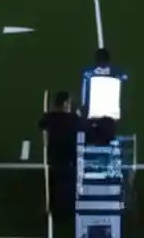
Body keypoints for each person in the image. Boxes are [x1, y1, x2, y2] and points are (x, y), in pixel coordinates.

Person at [38, 90, 80, 221]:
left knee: (54, 185)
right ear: (66, 103)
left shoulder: (50, 117)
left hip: (54, 156)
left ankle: (54, 211)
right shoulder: (73, 118)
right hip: (69, 158)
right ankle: (68, 212)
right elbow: (84, 126)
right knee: (69, 185)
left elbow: (41, 125)